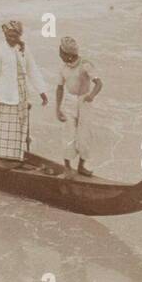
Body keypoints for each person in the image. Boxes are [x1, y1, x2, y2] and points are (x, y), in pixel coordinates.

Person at [0, 19, 49, 168]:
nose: (11, 39)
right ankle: (1, 160)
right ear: (4, 34)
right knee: (5, 128)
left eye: (15, 36)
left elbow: (32, 70)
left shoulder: (24, 50)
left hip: (21, 92)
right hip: (6, 95)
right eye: (8, 35)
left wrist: (42, 91)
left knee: (19, 126)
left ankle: (15, 158)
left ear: (19, 35)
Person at [55, 36, 103, 177]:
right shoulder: (62, 68)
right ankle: (67, 167)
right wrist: (57, 109)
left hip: (84, 101)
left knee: (84, 134)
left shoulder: (85, 64)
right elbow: (59, 88)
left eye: (61, 52)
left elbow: (99, 83)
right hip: (69, 101)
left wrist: (92, 95)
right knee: (68, 133)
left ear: (69, 54)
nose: (59, 54)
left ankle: (81, 166)